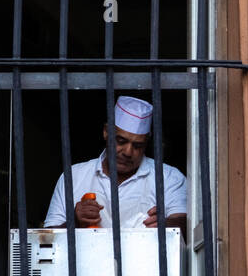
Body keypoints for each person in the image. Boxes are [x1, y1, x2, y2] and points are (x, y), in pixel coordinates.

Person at [43, 96, 187, 232]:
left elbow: (186, 230)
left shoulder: (169, 177)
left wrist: (167, 225)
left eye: (137, 146)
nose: (128, 152)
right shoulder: (73, 177)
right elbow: (46, 240)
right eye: (121, 141)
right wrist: (75, 221)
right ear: (106, 132)